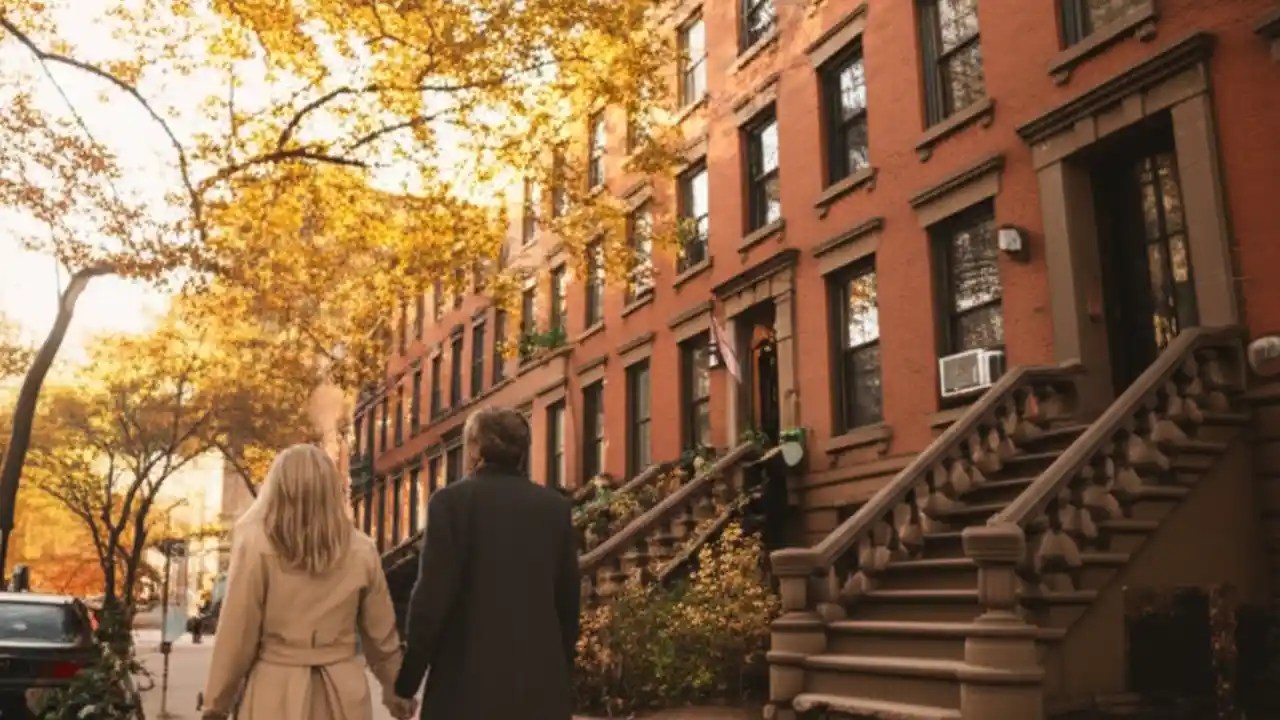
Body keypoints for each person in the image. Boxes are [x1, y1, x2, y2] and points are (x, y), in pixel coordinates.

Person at [201, 444, 416, 720]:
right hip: (343, 694)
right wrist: (397, 691)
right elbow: (382, 636)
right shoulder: (361, 550)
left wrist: (216, 703)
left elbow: (237, 632)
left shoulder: (256, 545)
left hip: (274, 691)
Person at [390, 407, 580, 719]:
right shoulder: (554, 509)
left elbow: (430, 602)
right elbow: (568, 606)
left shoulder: (450, 504)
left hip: (464, 691)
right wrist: (559, 676)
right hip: (539, 692)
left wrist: (407, 683)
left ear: (476, 448)